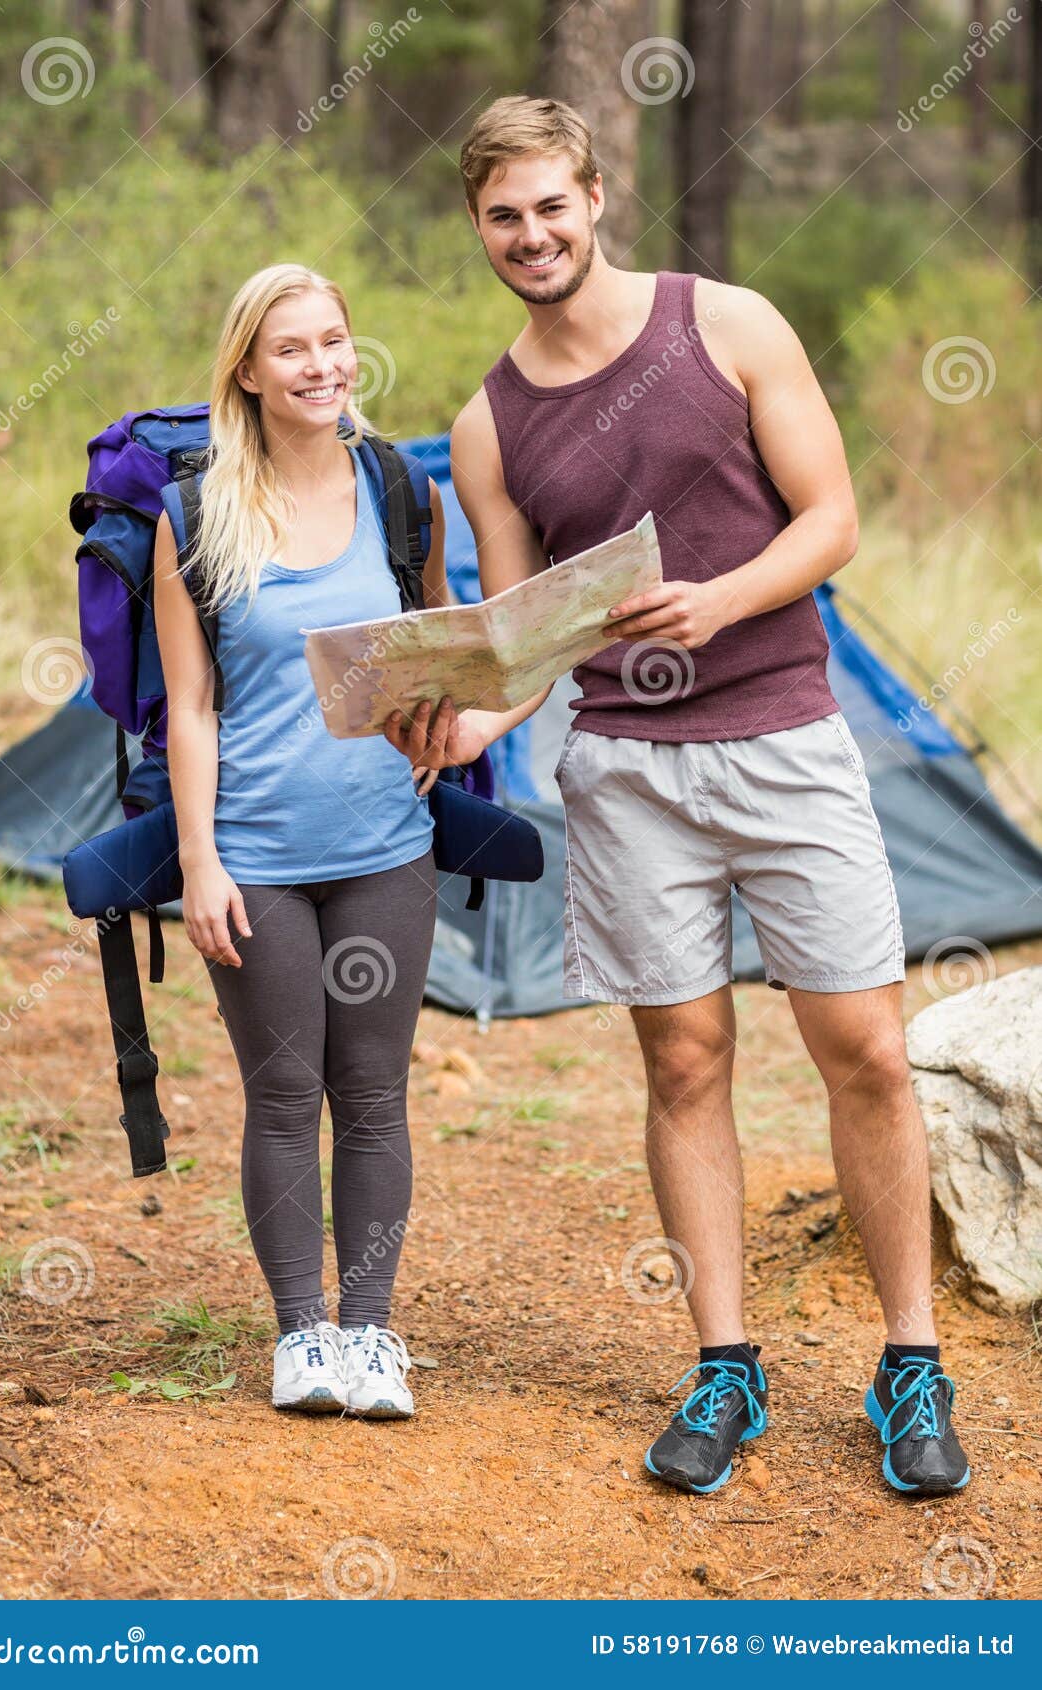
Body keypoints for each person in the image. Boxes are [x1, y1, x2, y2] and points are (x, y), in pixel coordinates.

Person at [397, 95, 969, 1496]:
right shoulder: (486, 425)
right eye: (501, 216)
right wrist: (469, 720)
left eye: (549, 205)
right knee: (684, 1062)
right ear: (477, 227)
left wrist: (720, 600)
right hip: (622, 775)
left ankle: (909, 1362)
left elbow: (831, 519)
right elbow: (529, 637)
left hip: (784, 739)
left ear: (594, 197)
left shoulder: (727, 324)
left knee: (866, 1051)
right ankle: (724, 1364)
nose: (530, 234)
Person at [154, 262, 520, 1418]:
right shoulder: (195, 515)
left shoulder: (400, 489)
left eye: (332, 340)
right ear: (247, 373)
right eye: (291, 348)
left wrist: (446, 719)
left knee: (371, 1092)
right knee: (281, 1093)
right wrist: (200, 861)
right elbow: (190, 707)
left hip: (384, 848)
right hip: (256, 859)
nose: (320, 366)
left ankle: (367, 1332)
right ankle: (299, 1336)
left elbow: (435, 642)